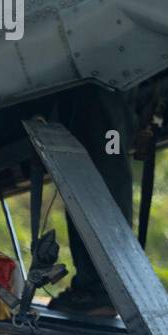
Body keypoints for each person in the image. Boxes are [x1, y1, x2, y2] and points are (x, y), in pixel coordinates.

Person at [46, 87, 135, 317]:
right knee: (102, 168)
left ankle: (98, 290)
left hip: (100, 84)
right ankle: (99, 288)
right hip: (102, 87)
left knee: (103, 169)